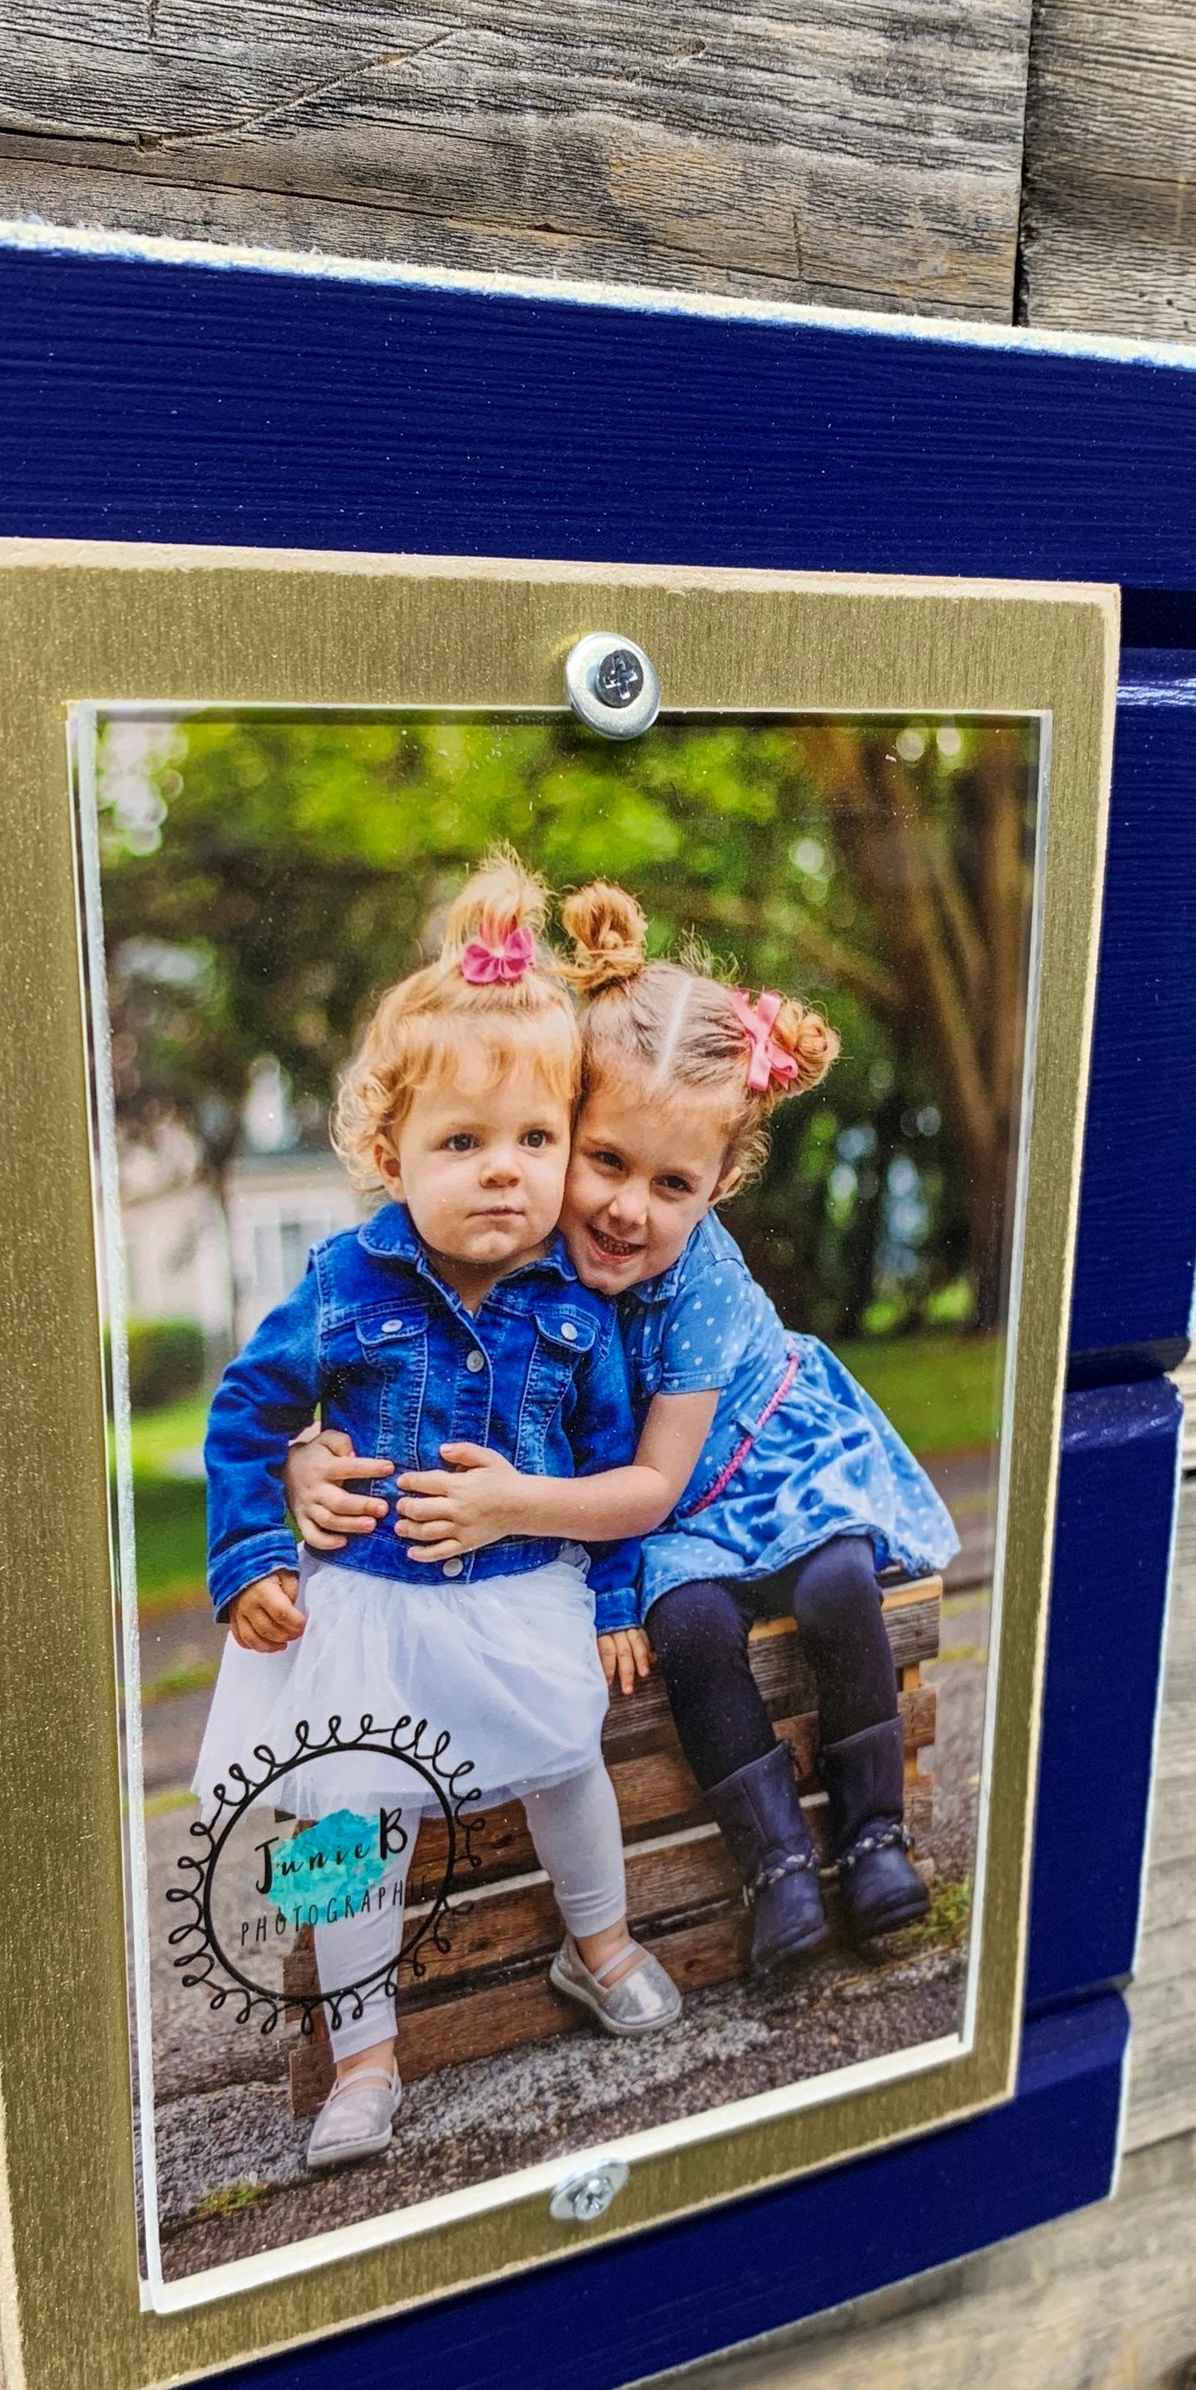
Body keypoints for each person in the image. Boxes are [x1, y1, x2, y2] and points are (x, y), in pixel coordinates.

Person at [291, 882, 958, 1986]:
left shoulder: (697, 1284)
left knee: (841, 1586)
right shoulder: (511, 1243)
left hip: (748, 1471)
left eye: (673, 1183)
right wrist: (311, 1449)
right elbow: (388, 1354)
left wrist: (510, 1504)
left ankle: (872, 1835)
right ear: (559, 1127)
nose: (626, 1210)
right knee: (692, 1632)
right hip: (655, 1524)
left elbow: (654, 1484)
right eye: (602, 1160)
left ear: (721, 1185)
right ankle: (774, 1865)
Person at [197, 856, 682, 2179]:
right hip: (368, 1611)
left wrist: (620, 1601)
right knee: (351, 1820)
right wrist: (248, 1554)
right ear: (386, 1153)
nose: (503, 1176)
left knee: (569, 1759)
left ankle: (601, 1946)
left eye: (534, 1142)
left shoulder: (577, 1311)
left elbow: (610, 1466)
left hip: (521, 1600)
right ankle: (358, 2056)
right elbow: (244, 1419)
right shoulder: (341, 1285)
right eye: (461, 1145)